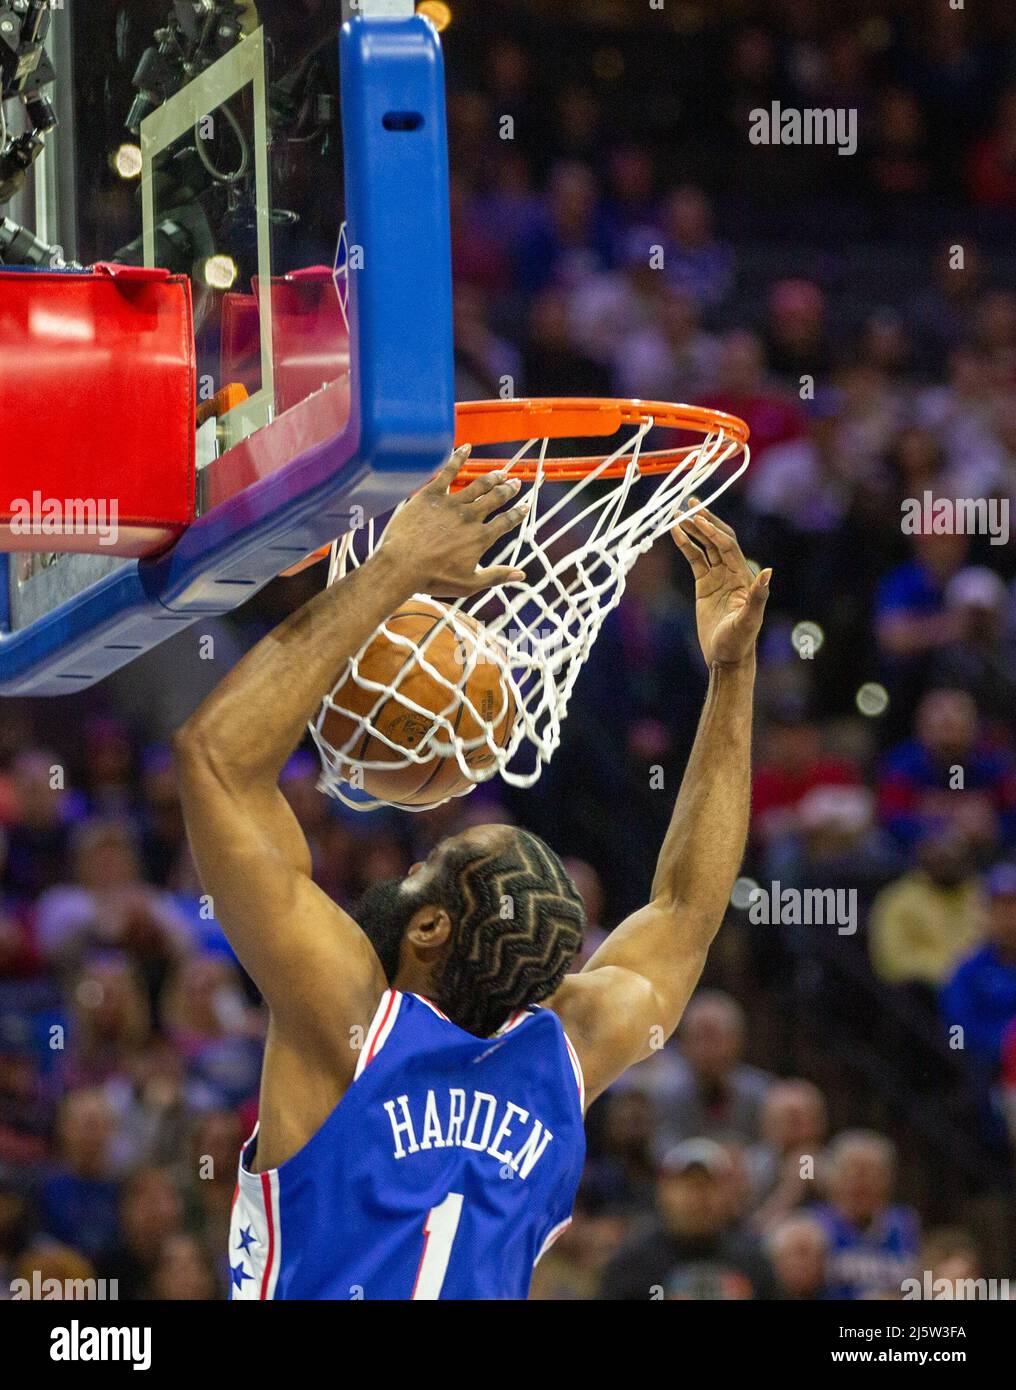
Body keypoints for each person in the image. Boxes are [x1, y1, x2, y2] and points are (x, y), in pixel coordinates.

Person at [172, 446, 771, 1299]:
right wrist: (736, 672)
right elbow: (684, 912)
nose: (405, 870)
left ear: (428, 926)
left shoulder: (347, 1017)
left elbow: (216, 759)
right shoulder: (564, 1056)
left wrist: (397, 568)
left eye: (427, 867)